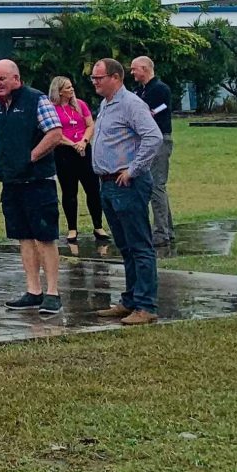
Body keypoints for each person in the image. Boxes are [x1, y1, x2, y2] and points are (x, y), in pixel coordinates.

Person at [0, 59, 65, 315]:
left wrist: (28, 158)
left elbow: (54, 133)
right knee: (23, 237)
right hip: (12, 184)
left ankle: (52, 293)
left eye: (2, 79)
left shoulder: (36, 100)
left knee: (45, 237)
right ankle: (33, 291)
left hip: (38, 182)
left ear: (16, 79)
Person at [89, 58, 164, 326]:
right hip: (107, 183)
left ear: (116, 77)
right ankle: (130, 299)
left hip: (127, 183)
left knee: (139, 245)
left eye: (99, 78)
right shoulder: (106, 104)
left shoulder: (131, 104)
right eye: (93, 78)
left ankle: (146, 305)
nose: (95, 82)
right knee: (125, 245)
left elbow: (153, 137)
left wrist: (133, 169)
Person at [49, 75, 107, 245]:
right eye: (67, 88)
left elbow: (90, 125)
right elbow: (54, 133)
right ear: (59, 91)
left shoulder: (80, 105)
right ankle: (72, 228)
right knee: (69, 191)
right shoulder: (52, 109)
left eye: (71, 86)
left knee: (93, 189)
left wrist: (83, 141)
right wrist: (72, 144)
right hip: (64, 153)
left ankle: (98, 225)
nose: (71, 90)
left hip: (84, 151)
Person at [128, 55, 176, 247]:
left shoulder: (160, 89)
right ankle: (167, 229)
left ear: (145, 68)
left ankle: (160, 233)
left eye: (134, 69)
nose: (132, 73)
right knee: (156, 186)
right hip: (144, 142)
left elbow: (154, 113)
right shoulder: (139, 91)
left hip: (159, 139)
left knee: (157, 185)